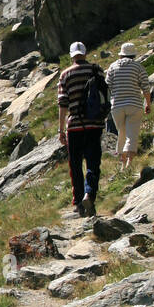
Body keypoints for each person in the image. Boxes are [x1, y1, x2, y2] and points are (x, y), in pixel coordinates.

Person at [57, 41, 109, 217]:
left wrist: (60, 129)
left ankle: (79, 202)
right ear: (85, 53)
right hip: (95, 123)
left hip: (75, 126)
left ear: (72, 55)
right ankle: (90, 194)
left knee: (75, 165)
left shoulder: (65, 74)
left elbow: (63, 103)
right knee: (93, 163)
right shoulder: (96, 70)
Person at [105, 41, 152, 170]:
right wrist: (148, 103)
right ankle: (129, 163)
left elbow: (107, 87)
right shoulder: (138, 67)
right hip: (134, 104)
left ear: (121, 54)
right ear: (133, 55)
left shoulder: (112, 67)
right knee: (132, 134)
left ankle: (122, 163)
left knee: (122, 133)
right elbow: (146, 87)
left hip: (117, 107)